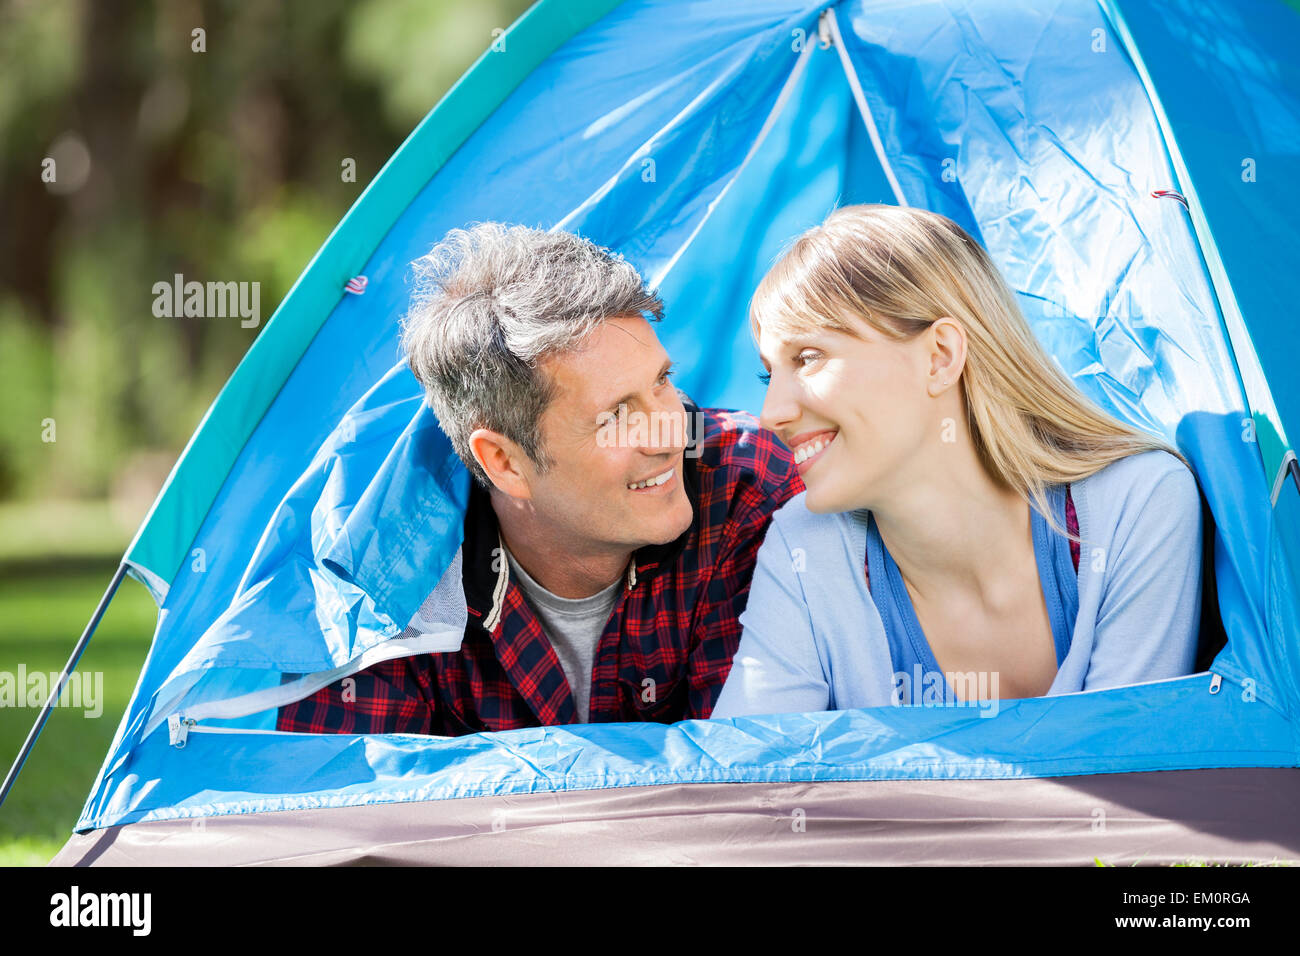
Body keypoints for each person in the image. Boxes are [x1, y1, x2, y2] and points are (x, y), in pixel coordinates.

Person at [277, 223, 802, 735]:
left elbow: (761, 782)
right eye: (617, 416)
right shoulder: (379, 580)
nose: (669, 435)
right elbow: (348, 811)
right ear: (504, 463)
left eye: (661, 381)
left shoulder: (749, 487)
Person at [711, 204, 1203, 718]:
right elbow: (748, 780)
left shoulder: (1139, 504)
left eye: (808, 358)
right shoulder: (802, 548)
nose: (771, 415)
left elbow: (1123, 776)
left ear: (940, 356)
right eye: (770, 375)